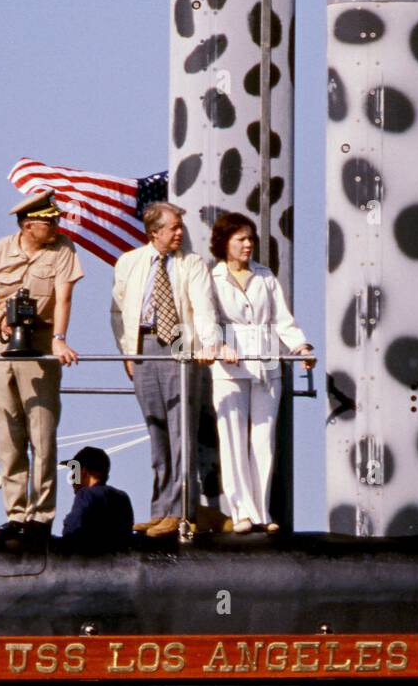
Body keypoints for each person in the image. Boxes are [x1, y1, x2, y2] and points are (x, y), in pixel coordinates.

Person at [0, 189, 83, 546]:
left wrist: (60, 338)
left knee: (42, 432)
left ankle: (40, 516)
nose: (56, 224)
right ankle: (17, 514)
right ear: (28, 225)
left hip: (41, 341)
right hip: (2, 343)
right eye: (49, 221)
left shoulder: (63, 250)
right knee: (9, 430)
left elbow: (64, 296)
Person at [110, 201, 222, 537]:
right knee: (157, 430)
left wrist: (208, 342)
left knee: (180, 429)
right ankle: (159, 510)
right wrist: (127, 352)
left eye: (180, 228)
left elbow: (204, 308)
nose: (179, 234)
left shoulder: (192, 264)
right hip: (143, 344)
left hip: (179, 341)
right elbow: (117, 311)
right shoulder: (129, 262)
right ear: (154, 232)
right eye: (173, 228)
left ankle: (180, 511)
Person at [207, 213, 314, 533]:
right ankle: (241, 511)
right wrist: (217, 345)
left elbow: (283, 319)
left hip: (266, 362)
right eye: (240, 239)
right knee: (233, 439)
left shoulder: (265, 277)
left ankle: (262, 511)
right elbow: (207, 318)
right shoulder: (213, 279)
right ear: (225, 243)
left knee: (263, 441)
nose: (247, 245)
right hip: (230, 363)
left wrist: (301, 348)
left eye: (250, 239)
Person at [59, 446, 135, 551]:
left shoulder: (86, 494)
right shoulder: (123, 497)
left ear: (84, 471)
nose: (72, 478)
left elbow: (71, 530)